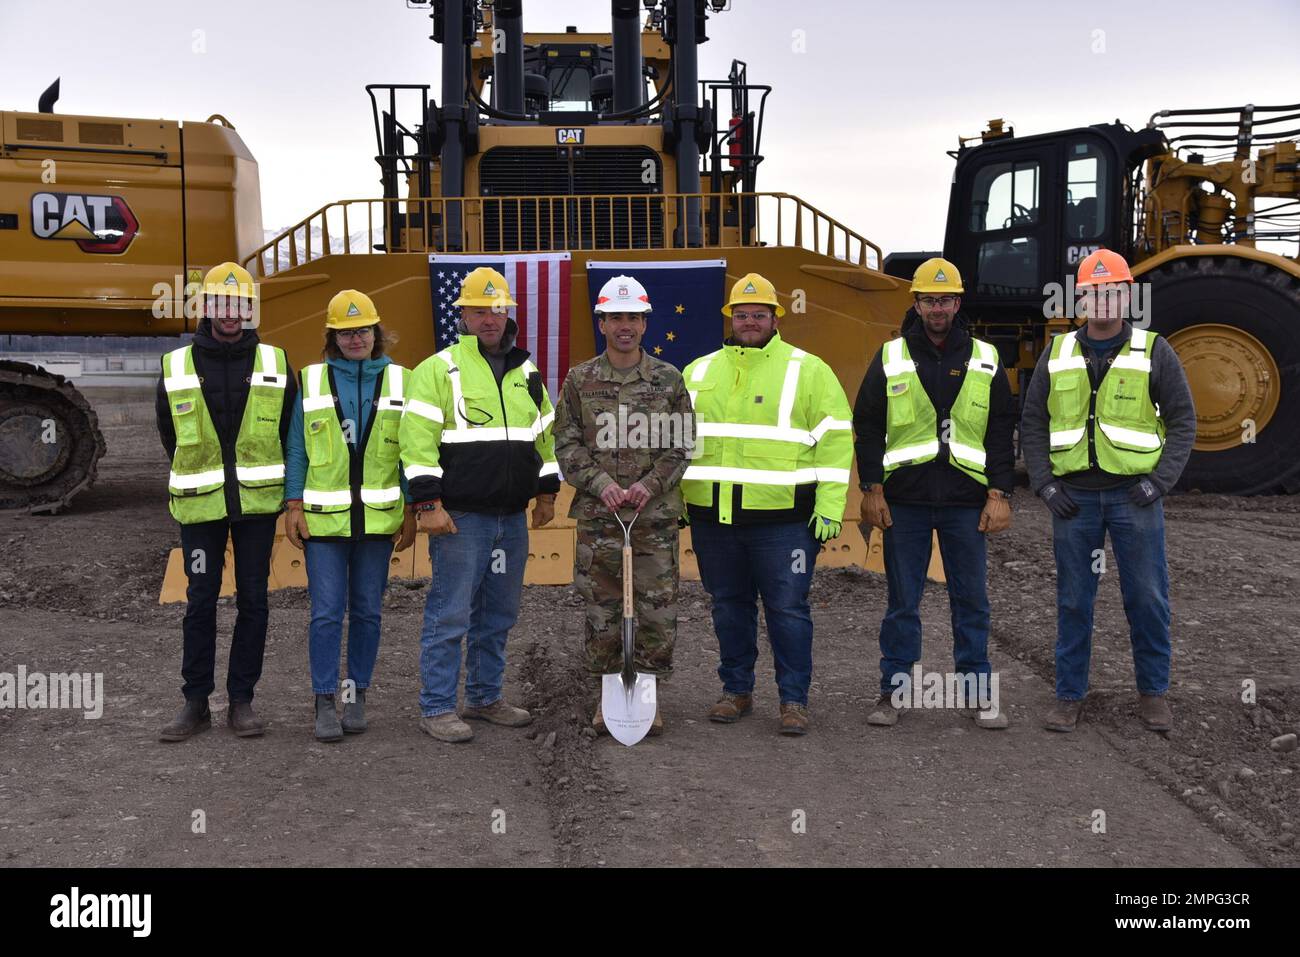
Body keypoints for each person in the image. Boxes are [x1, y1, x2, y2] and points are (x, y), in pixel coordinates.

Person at [1020, 249, 1196, 733]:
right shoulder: (1057, 354)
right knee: (1074, 600)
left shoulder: (1153, 350)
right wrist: (1045, 483)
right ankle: (1069, 696)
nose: (1103, 301)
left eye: (1112, 291)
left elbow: (1183, 420)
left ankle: (1153, 694)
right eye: (1094, 292)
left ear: (1127, 296)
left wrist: (1158, 481)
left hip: (1133, 498)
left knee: (1147, 598)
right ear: (1081, 297)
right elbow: (1033, 421)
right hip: (1072, 501)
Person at [682, 272, 853, 735]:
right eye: (743, 314)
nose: (750, 321)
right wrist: (677, 501)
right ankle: (735, 691)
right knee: (728, 606)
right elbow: (677, 444)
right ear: (730, 318)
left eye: (759, 314)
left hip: (785, 524)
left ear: (775, 318)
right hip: (714, 520)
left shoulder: (809, 370)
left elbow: (836, 443)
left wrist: (831, 507)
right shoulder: (698, 371)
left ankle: (793, 700)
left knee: (788, 609)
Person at [853, 258, 1017, 730]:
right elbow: (867, 425)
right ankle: (893, 693)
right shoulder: (891, 356)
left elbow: (1000, 429)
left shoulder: (985, 357)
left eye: (945, 299)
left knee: (971, 601)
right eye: (929, 299)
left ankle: (978, 694)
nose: (937, 307)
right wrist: (871, 488)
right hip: (905, 499)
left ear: (958, 302)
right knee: (902, 602)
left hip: (967, 501)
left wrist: (999, 493)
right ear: (918, 304)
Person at [399, 267, 560, 743]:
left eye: (496, 309)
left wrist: (547, 490)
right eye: (477, 310)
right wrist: (427, 503)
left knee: (499, 614)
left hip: (511, 517)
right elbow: (416, 441)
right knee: (450, 613)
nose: (489, 318)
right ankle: (437, 707)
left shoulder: (526, 372)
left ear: (507, 312)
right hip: (461, 517)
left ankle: (486, 697)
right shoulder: (439, 369)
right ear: (463, 315)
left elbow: (543, 435)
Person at [156, 262, 295, 741]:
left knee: (254, 601)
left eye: (240, 304)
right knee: (200, 602)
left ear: (250, 310)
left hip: (257, 508)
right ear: (206, 307)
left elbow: (286, 433)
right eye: (222, 302)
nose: (231, 313)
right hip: (200, 509)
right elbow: (168, 433)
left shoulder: (276, 363)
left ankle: (242, 701)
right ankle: (195, 703)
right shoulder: (176, 365)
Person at [553, 274, 694, 735]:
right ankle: (607, 698)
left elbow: (683, 443)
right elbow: (566, 444)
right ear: (602, 322)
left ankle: (648, 699)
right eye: (615, 317)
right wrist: (600, 483)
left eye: (632, 317)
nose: (624, 326)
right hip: (600, 518)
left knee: (655, 608)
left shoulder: (668, 379)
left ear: (645, 322)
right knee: (603, 608)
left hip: (653, 518)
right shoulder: (580, 379)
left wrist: (651, 485)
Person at [283, 290, 416, 742]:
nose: (355, 339)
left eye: (362, 331)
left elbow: (411, 451)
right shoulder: (313, 380)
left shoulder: (403, 380)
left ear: (376, 334)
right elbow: (297, 447)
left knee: (367, 613)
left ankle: (357, 695)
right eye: (345, 332)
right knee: (325, 613)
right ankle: (324, 701)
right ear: (332, 338)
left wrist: (412, 507)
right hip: (324, 522)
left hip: (378, 522)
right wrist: (294, 504)